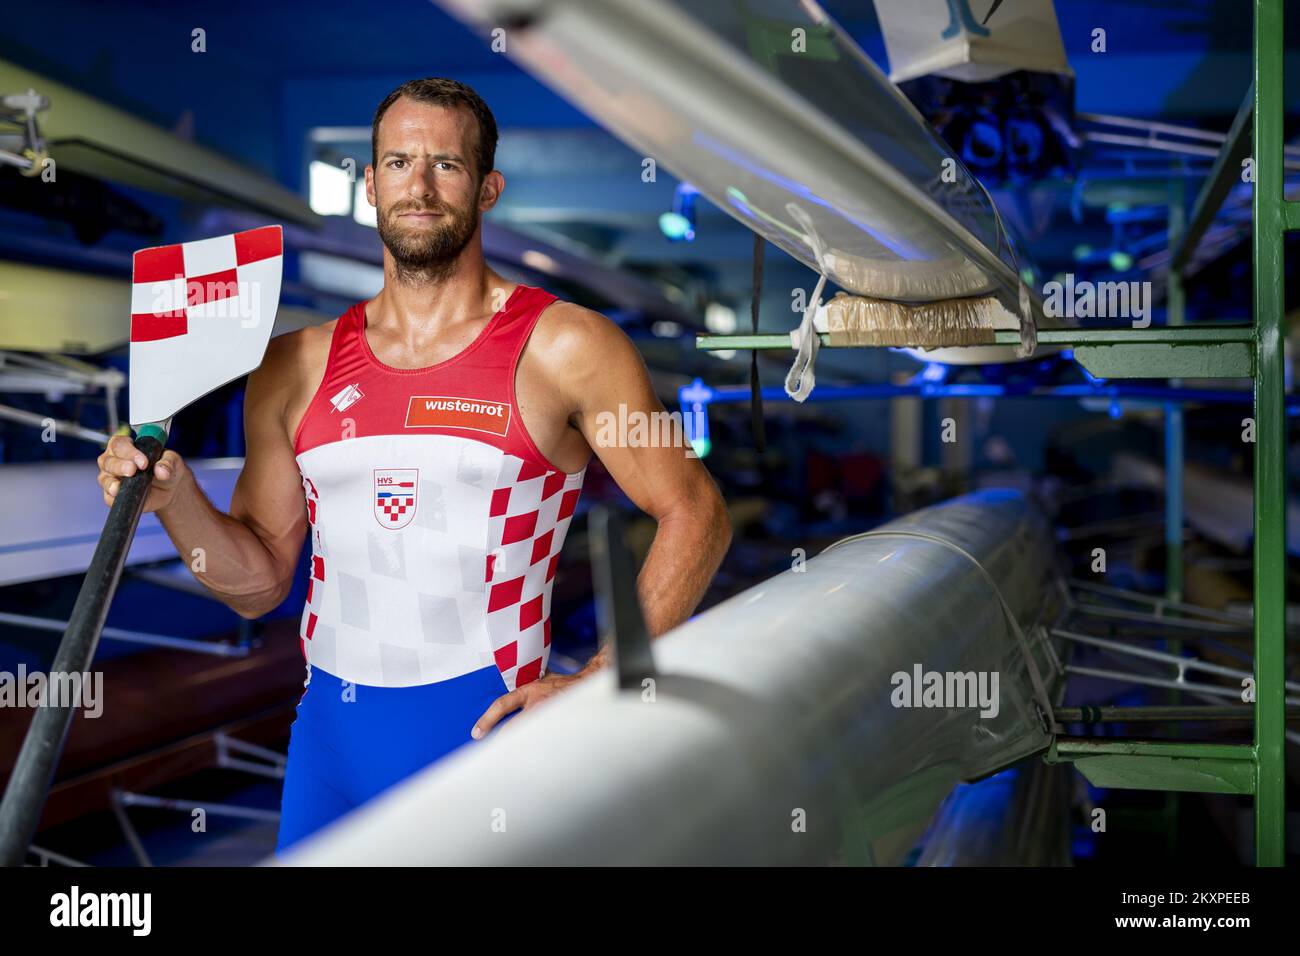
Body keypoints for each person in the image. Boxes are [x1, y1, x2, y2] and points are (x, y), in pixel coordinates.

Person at [96, 77, 732, 852]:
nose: (419, 187)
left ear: (488, 188)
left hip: (485, 743)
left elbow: (695, 511)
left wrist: (606, 675)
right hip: (329, 750)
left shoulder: (568, 346)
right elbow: (258, 585)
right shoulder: (294, 365)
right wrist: (176, 499)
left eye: (446, 165)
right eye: (399, 163)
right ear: (371, 184)